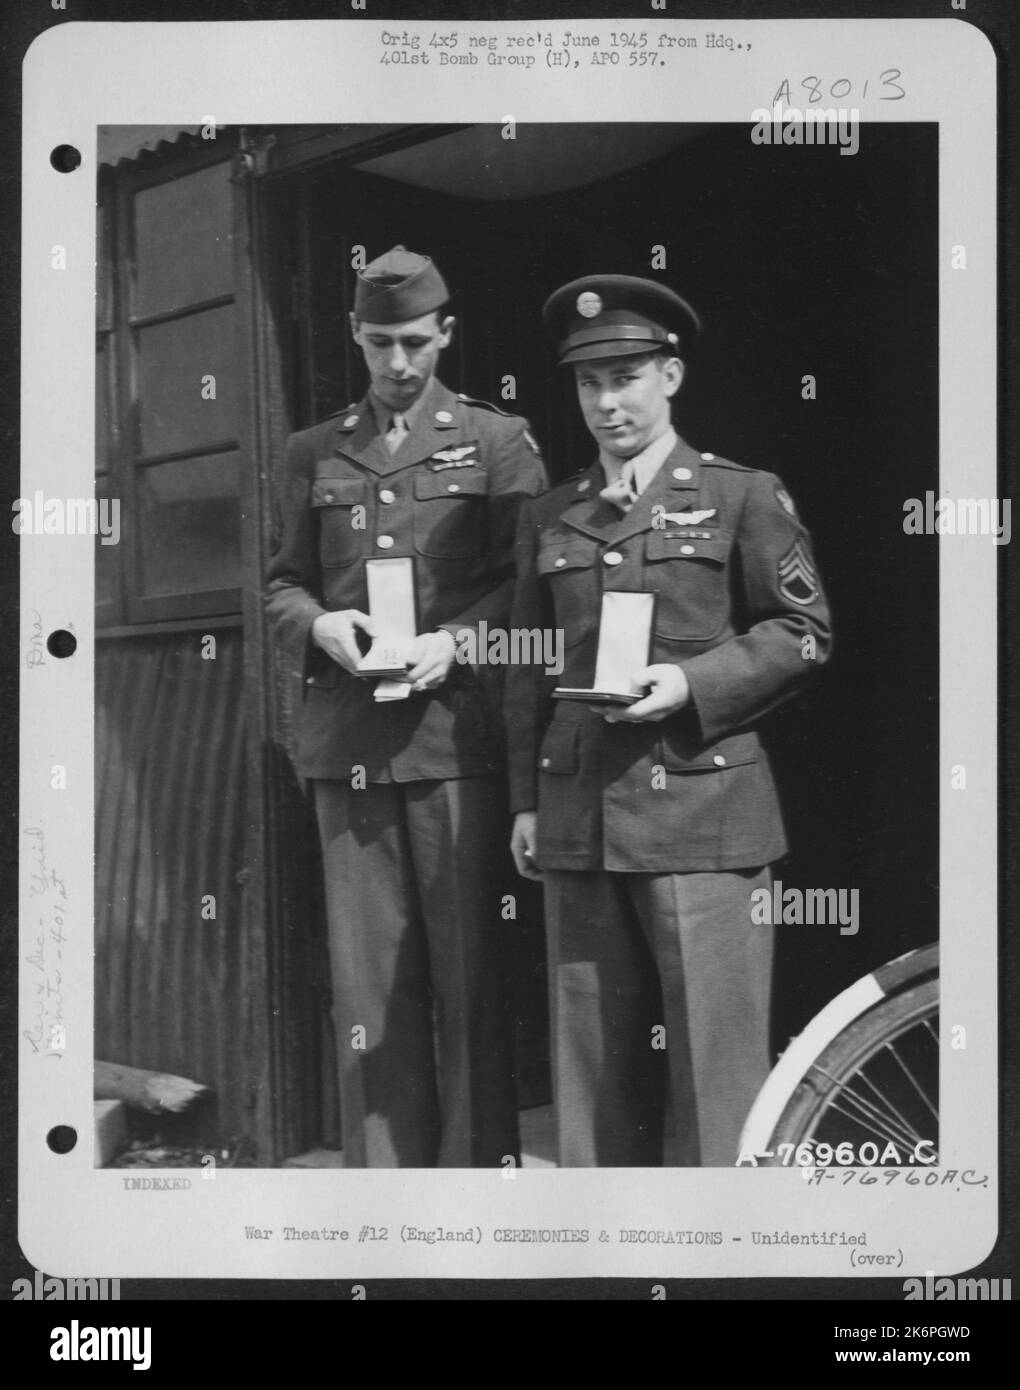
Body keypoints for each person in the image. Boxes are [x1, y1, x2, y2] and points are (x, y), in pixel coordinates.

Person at [505, 274, 832, 1167]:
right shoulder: (551, 513)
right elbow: (526, 669)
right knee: (588, 1073)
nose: (606, 403)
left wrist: (690, 685)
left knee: (714, 1070)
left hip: (701, 813)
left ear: (672, 376)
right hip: (578, 818)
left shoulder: (742, 495)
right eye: (587, 383)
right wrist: (525, 803)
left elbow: (802, 634)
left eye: (627, 377)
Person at [266, 245, 546, 1167]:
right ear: (355, 333)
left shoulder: (497, 441)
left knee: (469, 977)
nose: (398, 364)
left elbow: (532, 585)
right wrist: (319, 628)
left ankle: (471, 1184)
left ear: (446, 334)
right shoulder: (313, 451)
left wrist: (455, 641)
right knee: (369, 988)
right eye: (380, 342)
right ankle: (384, 1194)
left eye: (416, 342)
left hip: (453, 741)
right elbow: (280, 587)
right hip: (348, 746)